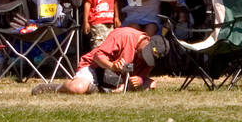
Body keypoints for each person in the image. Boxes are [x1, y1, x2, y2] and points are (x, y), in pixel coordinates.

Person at [32, 26, 165, 94]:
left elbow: (144, 73)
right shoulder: (124, 35)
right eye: (144, 54)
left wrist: (141, 79)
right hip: (95, 67)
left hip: (120, 78)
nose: (144, 58)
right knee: (77, 88)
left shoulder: (151, 55)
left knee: (152, 84)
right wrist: (112, 66)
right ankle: (55, 88)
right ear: (147, 42)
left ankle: (102, 89)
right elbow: (98, 56)